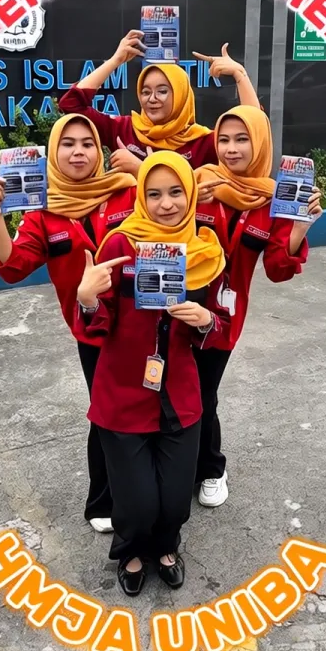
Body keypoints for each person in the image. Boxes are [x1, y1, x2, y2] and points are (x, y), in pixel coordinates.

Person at [74, 152, 230, 597]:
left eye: (176, 191)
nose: (166, 204)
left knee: (175, 497)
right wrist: (86, 298)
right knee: (137, 501)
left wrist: (204, 318)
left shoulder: (206, 249)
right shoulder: (119, 246)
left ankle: (166, 548)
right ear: (142, 196)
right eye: (155, 193)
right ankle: (131, 552)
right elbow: (96, 322)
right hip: (123, 394)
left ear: (190, 192)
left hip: (180, 394)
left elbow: (221, 321)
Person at [0, 114, 136, 533]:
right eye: (68, 144)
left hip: (143, 324)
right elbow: (13, 265)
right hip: (93, 329)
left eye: (88, 143)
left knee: (151, 407)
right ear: (54, 152)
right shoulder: (42, 213)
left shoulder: (127, 193)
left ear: (99, 151)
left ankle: (160, 486)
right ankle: (103, 499)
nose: (79, 152)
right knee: (106, 413)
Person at [194, 106, 322, 507]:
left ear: (259, 143)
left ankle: (212, 469)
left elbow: (278, 270)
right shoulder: (198, 183)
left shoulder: (272, 199)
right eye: (224, 139)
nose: (231, 149)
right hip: (177, 308)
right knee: (178, 394)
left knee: (204, 396)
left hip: (226, 317)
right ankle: (183, 468)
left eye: (242, 139)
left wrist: (300, 228)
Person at [58, 30, 260, 178]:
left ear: (181, 95)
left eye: (163, 91)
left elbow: (256, 131)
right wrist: (115, 61)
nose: (152, 98)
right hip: (127, 232)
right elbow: (71, 105)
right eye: (145, 92)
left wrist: (239, 74)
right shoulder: (125, 129)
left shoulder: (202, 142)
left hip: (185, 233)